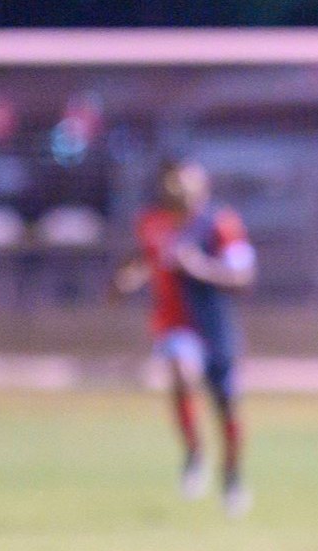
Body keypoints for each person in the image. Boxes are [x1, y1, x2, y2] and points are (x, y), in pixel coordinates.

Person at [113, 160, 257, 516]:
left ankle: (232, 477)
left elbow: (243, 276)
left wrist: (200, 268)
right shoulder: (152, 222)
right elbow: (142, 258)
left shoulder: (220, 225)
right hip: (176, 324)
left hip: (215, 328)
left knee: (227, 406)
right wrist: (127, 279)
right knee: (180, 371)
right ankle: (194, 453)